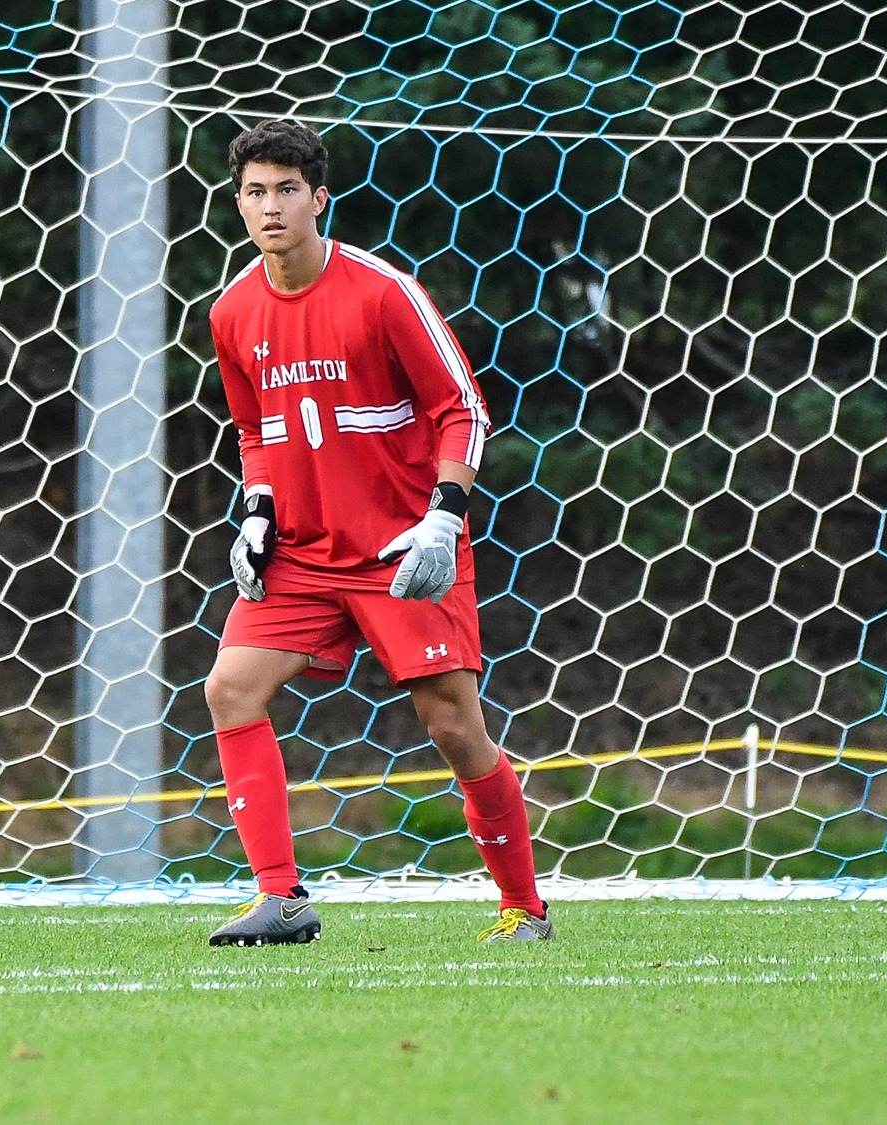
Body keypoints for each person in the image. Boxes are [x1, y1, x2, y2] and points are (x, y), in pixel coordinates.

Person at [204, 119, 551, 946]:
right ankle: (282, 899)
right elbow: (257, 430)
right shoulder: (232, 312)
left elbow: (462, 408)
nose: (271, 205)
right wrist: (256, 510)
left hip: (406, 545)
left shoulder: (383, 291)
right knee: (230, 688)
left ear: (319, 199)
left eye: (287, 189)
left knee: (453, 726)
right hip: (304, 551)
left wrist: (445, 516)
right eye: (256, 191)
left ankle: (523, 908)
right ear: (240, 203)